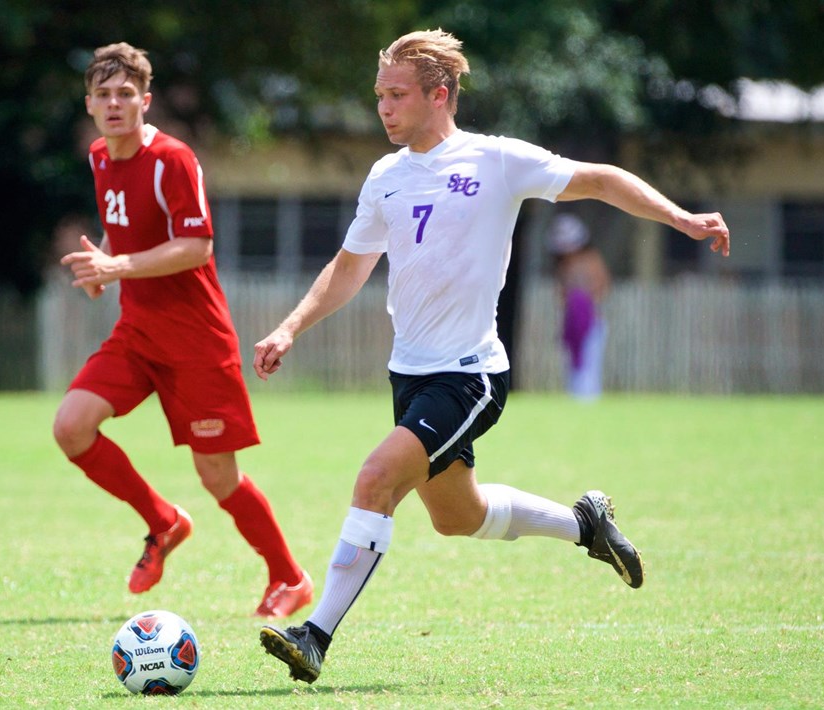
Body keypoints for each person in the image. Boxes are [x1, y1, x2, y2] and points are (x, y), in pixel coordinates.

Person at [253, 29, 730, 683]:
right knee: (459, 517)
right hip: (408, 374)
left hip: (469, 375)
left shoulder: (496, 160)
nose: (383, 108)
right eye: (379, 95)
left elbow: (600, 179)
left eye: (397, 95)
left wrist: (682, 219)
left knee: (375, 479)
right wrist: (290, 328)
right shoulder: (385, 177)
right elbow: (348, 267)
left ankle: (314, 635)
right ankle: (585, 525)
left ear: (439, 94)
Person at [52, 42, 312, 618]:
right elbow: (122, 228)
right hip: (137, 334)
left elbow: (197, 246)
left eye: (126, 94)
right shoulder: (99, 157)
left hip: (196, 341)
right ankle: (163, 521)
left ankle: (290, 577)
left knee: (217, 476)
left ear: (145, 101)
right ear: (88, 103)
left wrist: (118, 266)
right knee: (71, 426)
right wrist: (103, 266)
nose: (114, 104)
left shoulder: (172, 159)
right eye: (103, 94)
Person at [548, 213, 612, 400]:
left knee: (590, 362)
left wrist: (583, 304)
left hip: (592, 321)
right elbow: (561, 294)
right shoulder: (563, 266)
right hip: (571, 321)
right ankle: (576, 397)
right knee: (572, 363)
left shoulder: (592, 259)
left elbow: (603, 286)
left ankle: (589, 399)